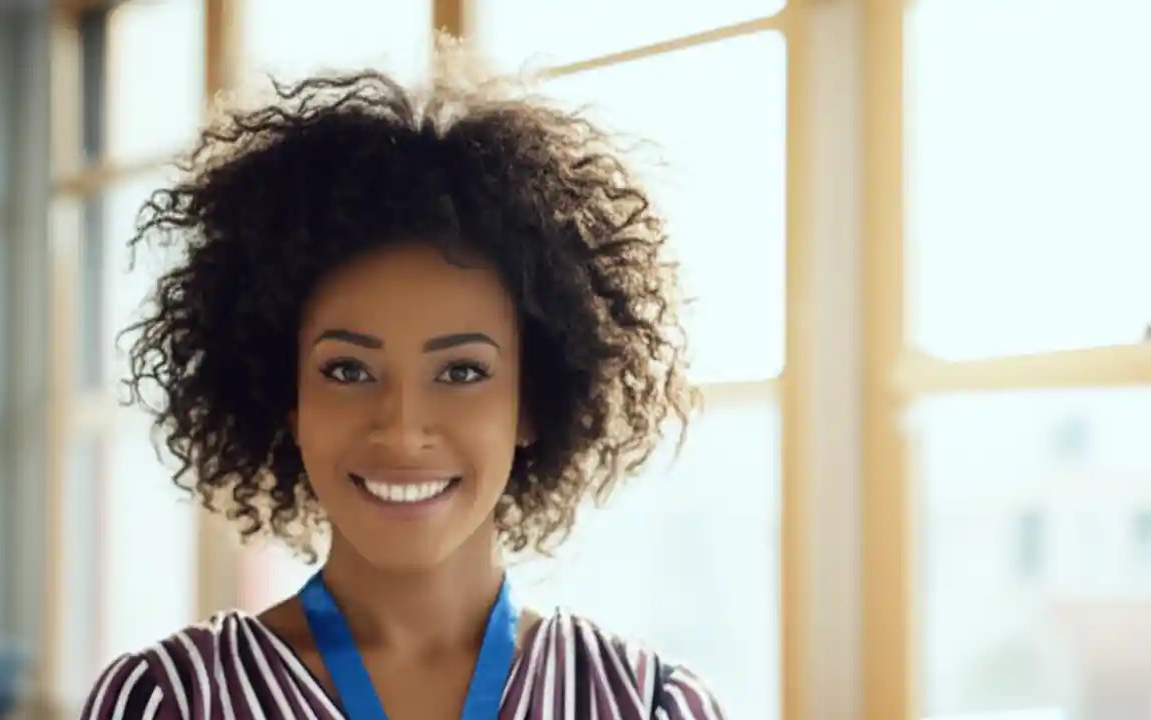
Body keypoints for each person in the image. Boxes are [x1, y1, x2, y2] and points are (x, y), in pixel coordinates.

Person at [79, 48, 721, 720]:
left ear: (532, 403)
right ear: (288, 400)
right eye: (347, 371)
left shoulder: (647, 703)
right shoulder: (169, 702)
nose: (402, 426)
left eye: (462, 372)